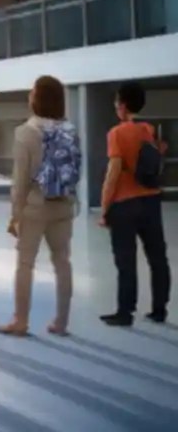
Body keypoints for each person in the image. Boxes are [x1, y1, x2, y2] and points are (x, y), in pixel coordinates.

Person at [0, 75, 77, 337]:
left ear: (37, 98)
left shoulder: (25, 133)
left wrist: (15, 215)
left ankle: (21, 321)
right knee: (62, 262)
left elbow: (20, 180)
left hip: (34, 207)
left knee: (25, 264)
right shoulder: (70, 131)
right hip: (63, 205)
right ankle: (62, 322)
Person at [99, 81, 170, 327]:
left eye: (117, 102)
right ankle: (159, 309)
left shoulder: (117, 133)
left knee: (125, 260)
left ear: (123, 105)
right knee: (157, 256)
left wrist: (104, 206)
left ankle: (125, 312)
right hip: (151, 200)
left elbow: (113, 172)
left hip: (124, 204)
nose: (116, 107)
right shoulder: (150, 131)